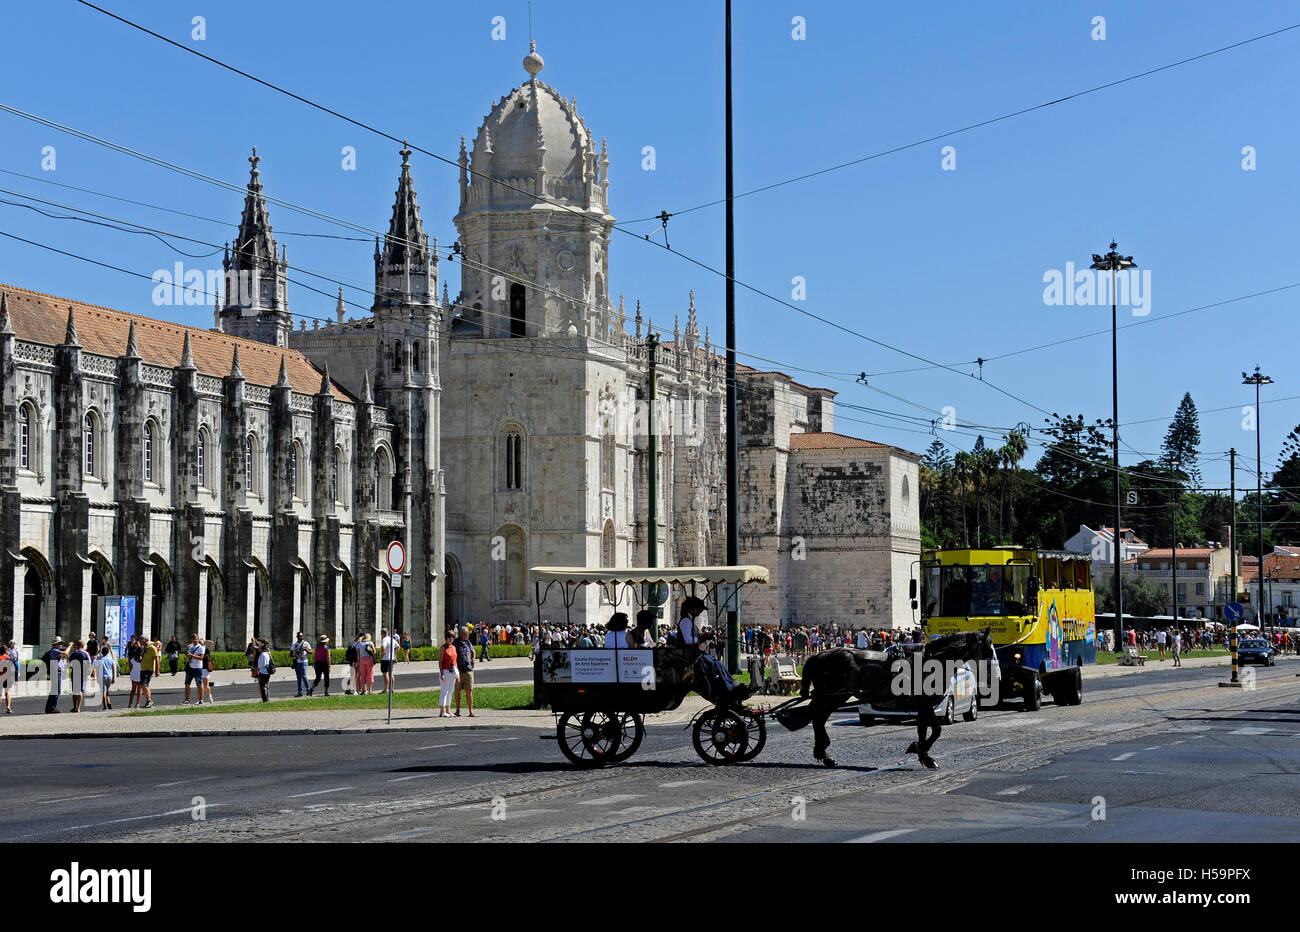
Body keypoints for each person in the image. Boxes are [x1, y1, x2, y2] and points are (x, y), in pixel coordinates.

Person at [678, 597, 750, 705]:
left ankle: (731, 684)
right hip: (687, 655)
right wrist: (702, 638)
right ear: (692, 609)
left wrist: (706, 640)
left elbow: (694, 640)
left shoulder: (690, 621)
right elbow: (688, 640)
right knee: (714, 664)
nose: (700, 612)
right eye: (699, 609)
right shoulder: (685, 621)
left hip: (694, 653)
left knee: (716, 663)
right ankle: (727, 687)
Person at [453, 626, 475, 717]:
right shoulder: (455, 643)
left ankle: (471, 711)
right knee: (457, 690)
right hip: (459, 670)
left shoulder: (468, 642)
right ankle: (457, 710)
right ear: (462, 634)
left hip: (468, 670)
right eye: (466, 634)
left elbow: (473, 650)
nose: (468, 635)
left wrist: (473, 659)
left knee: (469, 690)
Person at [44, 636, 69, 714]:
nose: (61, 644)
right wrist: (70, 646)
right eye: (60, 643)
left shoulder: (56, 651)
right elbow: (65, 653)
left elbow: (64, 656)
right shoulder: (55, 650)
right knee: (57, 691)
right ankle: (52, 708)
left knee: (54, 691)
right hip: (56, 673)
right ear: (56, 644)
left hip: (55, 672)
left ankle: (48, 708)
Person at [439, 636, 460, 717]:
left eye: (452, 639)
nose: (451, 640)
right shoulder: (443, 648)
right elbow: (440, 661)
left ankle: (448, 710)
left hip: (453, 671)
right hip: (445, 671)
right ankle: (442, 711)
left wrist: (457, 675)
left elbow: (455, 661)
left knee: (450, 691)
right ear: (446, 639)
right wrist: (442, 673)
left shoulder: (454, 647)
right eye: (449, 638)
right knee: (444, 691)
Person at [184, 633, 206, 705]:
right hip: (190, 668)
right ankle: (187, 700)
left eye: (196, 639)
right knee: (187, 684)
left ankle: (201, 700)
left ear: (198, 639)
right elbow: (190, 657)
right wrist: (188, 656)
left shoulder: (201, 647)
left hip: (197, 668)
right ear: (192, 640)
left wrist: (191, 655)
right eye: (194, 639)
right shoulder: (191, 647)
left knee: (199, 684)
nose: (195, 640)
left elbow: (201, 658)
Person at [138, 635, 159, 709]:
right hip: (143, 669)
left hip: (149, 669)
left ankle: (149, 700)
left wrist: (157, 670)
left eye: (141, 640)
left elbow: (157, 659)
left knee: (144, 684)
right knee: (144, 685)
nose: (140, 641)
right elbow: (142, 658)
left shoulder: (152, 647)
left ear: (146, 639)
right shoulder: (144, 648)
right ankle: (148, 701)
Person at [94, 644, 116, 710]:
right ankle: (109, 703)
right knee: (106, 690)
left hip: (102, 676)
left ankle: (105, 706)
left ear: (102, 652)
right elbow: (113, 668)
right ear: (108, 652)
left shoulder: (100, 660)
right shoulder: (110, 659)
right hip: (109, 676)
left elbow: (96, 669)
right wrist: (114, 677)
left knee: (103, 691)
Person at [291, 631, 312, 697]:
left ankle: (308, 690)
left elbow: (311, 652)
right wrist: (296, 656)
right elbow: (291, 654)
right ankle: (300, 692)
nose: (300, 637)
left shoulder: (306, 643)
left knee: (304, 676)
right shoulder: (294, 644)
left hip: (304, 662)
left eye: (301, 636)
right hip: (297, 662)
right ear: (297, 637)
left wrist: (306, 650)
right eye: (299, 636)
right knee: (299, 678)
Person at [379, 628, 399, 694]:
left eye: (381, 634)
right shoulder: (391, 639)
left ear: (383, 633)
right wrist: (394, 654)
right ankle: (392, 688)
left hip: (385, 659)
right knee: (391, 673)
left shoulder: (384, 640)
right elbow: (398, 647)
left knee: (385, 674)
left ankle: (386, 689)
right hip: (391, 658)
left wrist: (382, 654)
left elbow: (383, 648)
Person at [0, 640, 17, 714]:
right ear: (6, 650)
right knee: (7, 692)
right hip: (7, 677)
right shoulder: (9, 658)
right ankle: (8, 707)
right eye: (7, 649)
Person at [126, 635, 143, 708]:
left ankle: (130, 703)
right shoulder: (143, 661)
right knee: (139, 690)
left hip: (134, 676)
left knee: (133, 690)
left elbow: (131, 668)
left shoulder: (132, 660)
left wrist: (130, 673)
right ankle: (138, 704)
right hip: (140, 676)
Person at [201, 640, 216, 704]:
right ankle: (201, 699)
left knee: (206, 686)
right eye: (200, 643)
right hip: (198, 669)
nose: (201, 643)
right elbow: (189, 646)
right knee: (200, 686)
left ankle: (210, 696)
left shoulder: (207, 650)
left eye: (202, 643)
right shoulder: (198, 650)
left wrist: (205, 640)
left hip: (205, 670)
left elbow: (211, 642)